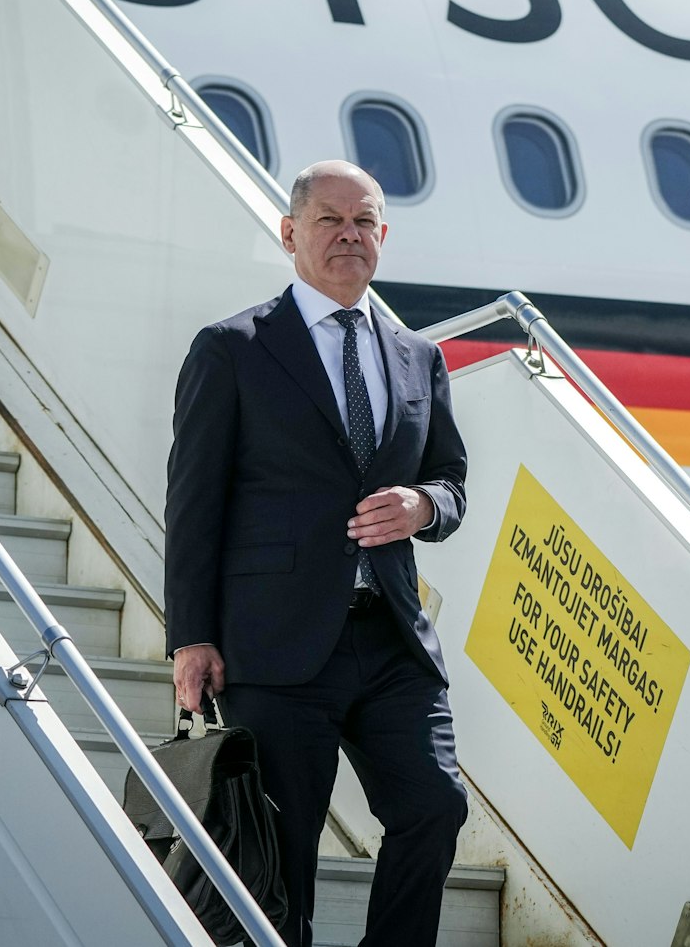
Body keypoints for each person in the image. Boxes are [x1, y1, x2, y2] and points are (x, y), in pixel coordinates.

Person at [164, 159, 468, 947]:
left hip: (391, 638)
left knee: (435, 806)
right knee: (283, 855)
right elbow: (195, 503)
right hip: (275, 644)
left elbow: (451, 480)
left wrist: (423, 504)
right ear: (290, 232)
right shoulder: (233, 348)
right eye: (330, 220)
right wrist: (190, 634)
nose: (349, 235)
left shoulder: (417, 357)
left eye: (364, 221)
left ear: (383, 237)